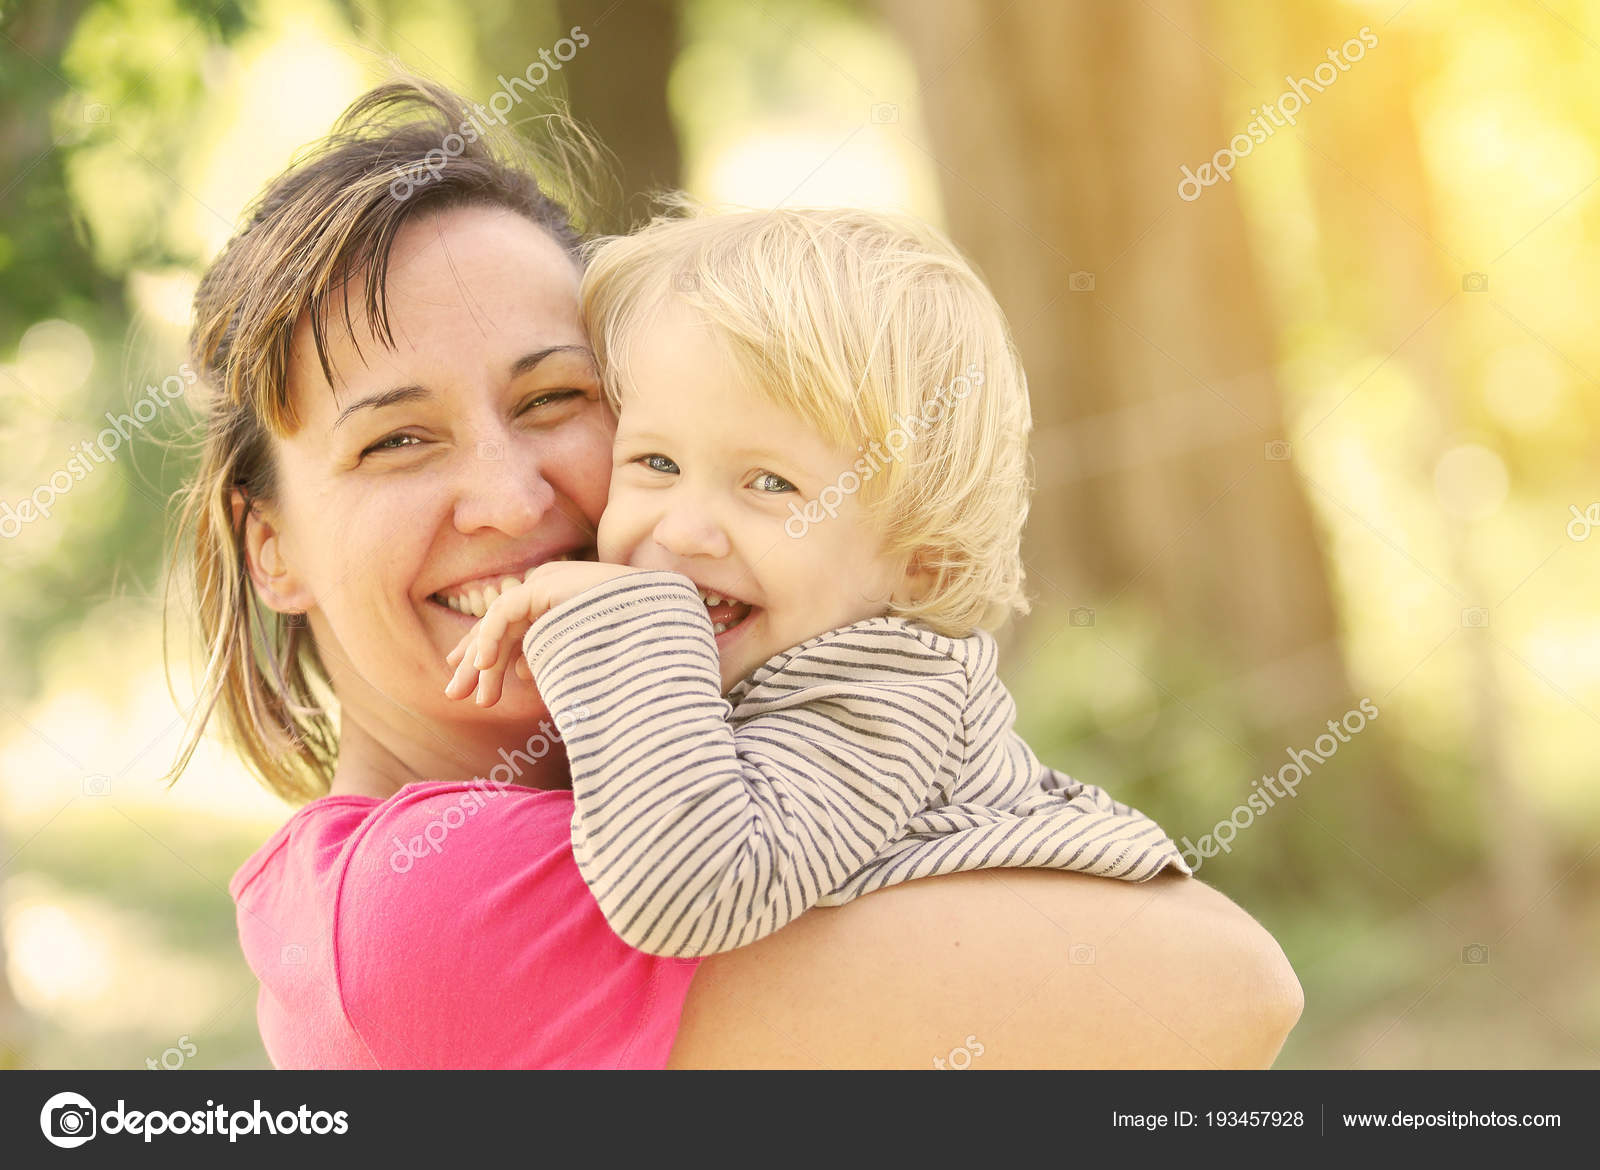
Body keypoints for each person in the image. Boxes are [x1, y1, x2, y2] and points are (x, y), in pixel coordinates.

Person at [170, 77, 1302, 1068]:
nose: (515, 501)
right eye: (395, 440)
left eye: (554, 399)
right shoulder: (439, 908)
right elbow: (1221, 989)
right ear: (269, 545)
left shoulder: (802, 707)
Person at [442, 208, 1190, 959]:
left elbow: (688, 897)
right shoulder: (785, 661)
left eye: (770, 483)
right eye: (656, 464)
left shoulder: (885, 694)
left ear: (918, 559)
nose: (683, 530)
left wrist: (626, 631)